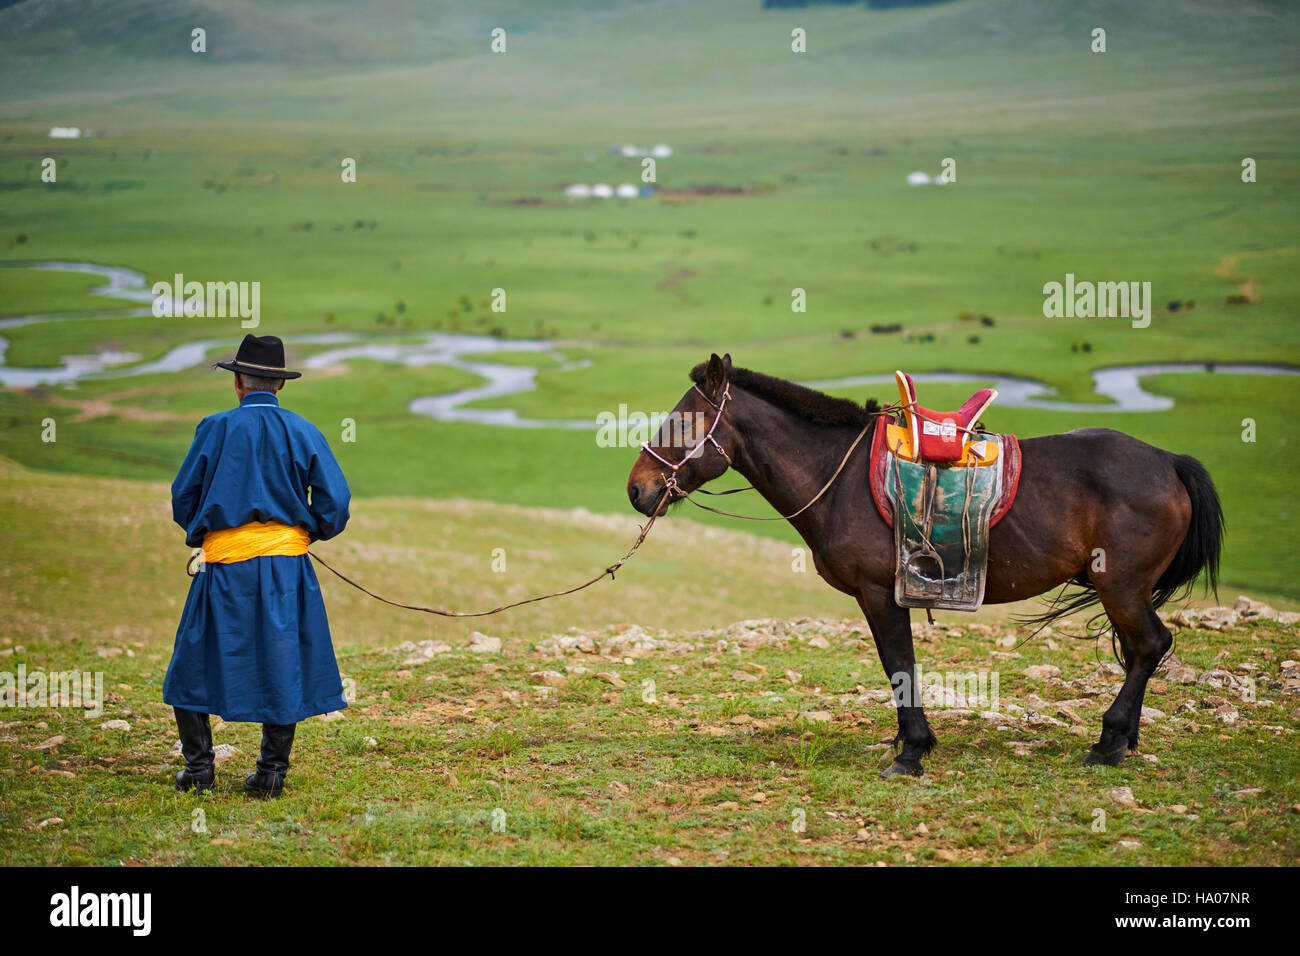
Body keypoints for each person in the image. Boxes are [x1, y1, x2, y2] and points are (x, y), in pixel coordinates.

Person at [163, 334, 350, 797]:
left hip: (223, 566)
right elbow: (337, 502)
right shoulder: (305, 431)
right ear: (279, 386)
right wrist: (301, 533)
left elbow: (182, 497)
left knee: (194, 662)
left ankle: (200, 770)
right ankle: (271, 775)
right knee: (282, 657)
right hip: (286, 566)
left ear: (238, 385)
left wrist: (215, 533)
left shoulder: (215, 428)